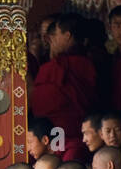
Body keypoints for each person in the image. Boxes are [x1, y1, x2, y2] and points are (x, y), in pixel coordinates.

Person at [31, 13, 96, 160]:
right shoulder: (84, 65)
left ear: (67, 36)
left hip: (67, 133)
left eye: (55, 35)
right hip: (63, 133)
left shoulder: (62, 67)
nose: (51, 39)